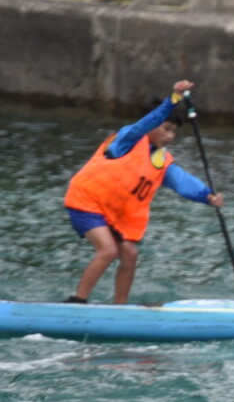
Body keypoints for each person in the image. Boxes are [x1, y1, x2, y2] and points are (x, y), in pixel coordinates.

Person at [61, 80, 224, 305]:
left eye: (174, 132)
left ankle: (120, 306)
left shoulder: (162, 160)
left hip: (109, 214)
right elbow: (148, 122)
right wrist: (173, 101)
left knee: (130, 255)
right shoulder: (127, 139)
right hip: (85, 201)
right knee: (107, 251)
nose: (170, 136)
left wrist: (207, 195)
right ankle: (77, 301)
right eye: (166, 129)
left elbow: (182, 182)